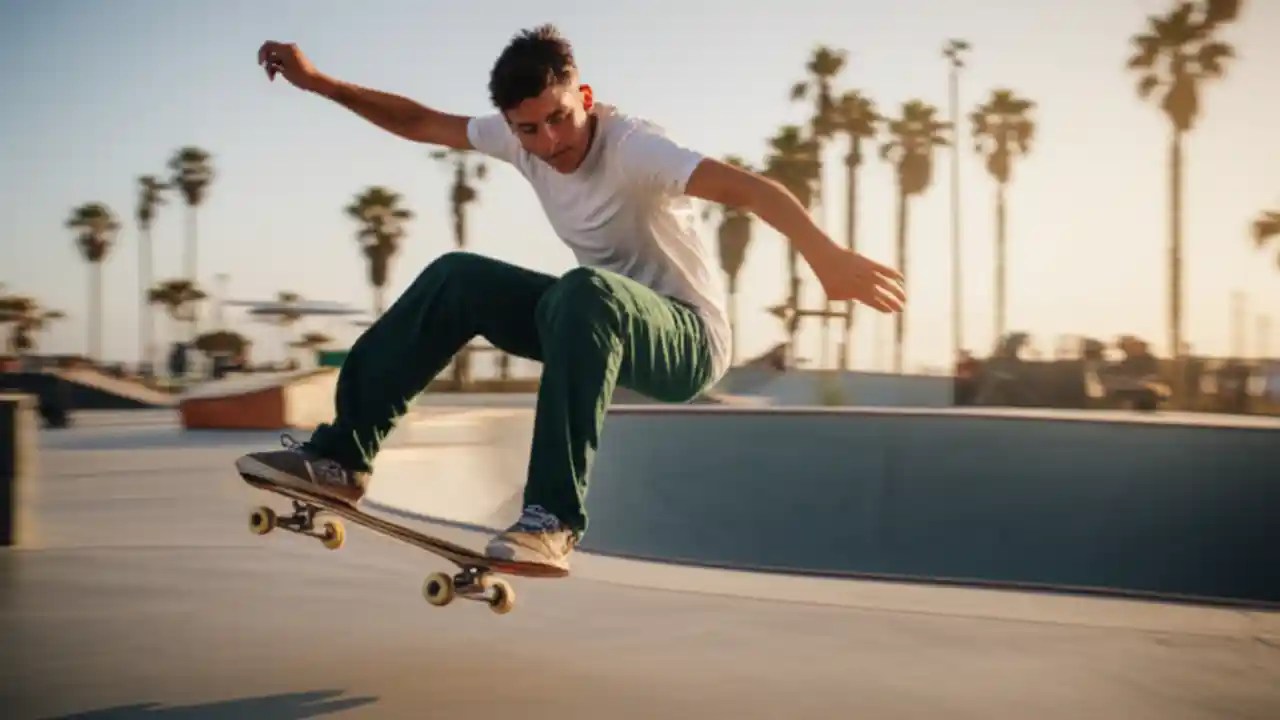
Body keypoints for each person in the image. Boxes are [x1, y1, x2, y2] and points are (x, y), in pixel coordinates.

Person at [236, 25, 906, 572]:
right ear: (510, 124)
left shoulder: (638, 146)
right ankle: (342, 458)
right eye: (529, 130)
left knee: (586, 293)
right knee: (457, 276)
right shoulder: (514, 137)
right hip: (587, 320)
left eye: (560, 119)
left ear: (583, 95)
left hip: (688, 342)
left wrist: (827, 257)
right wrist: (319, 83)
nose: (550, 143)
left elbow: (753, 190)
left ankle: (552, 517)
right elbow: (418, 120)